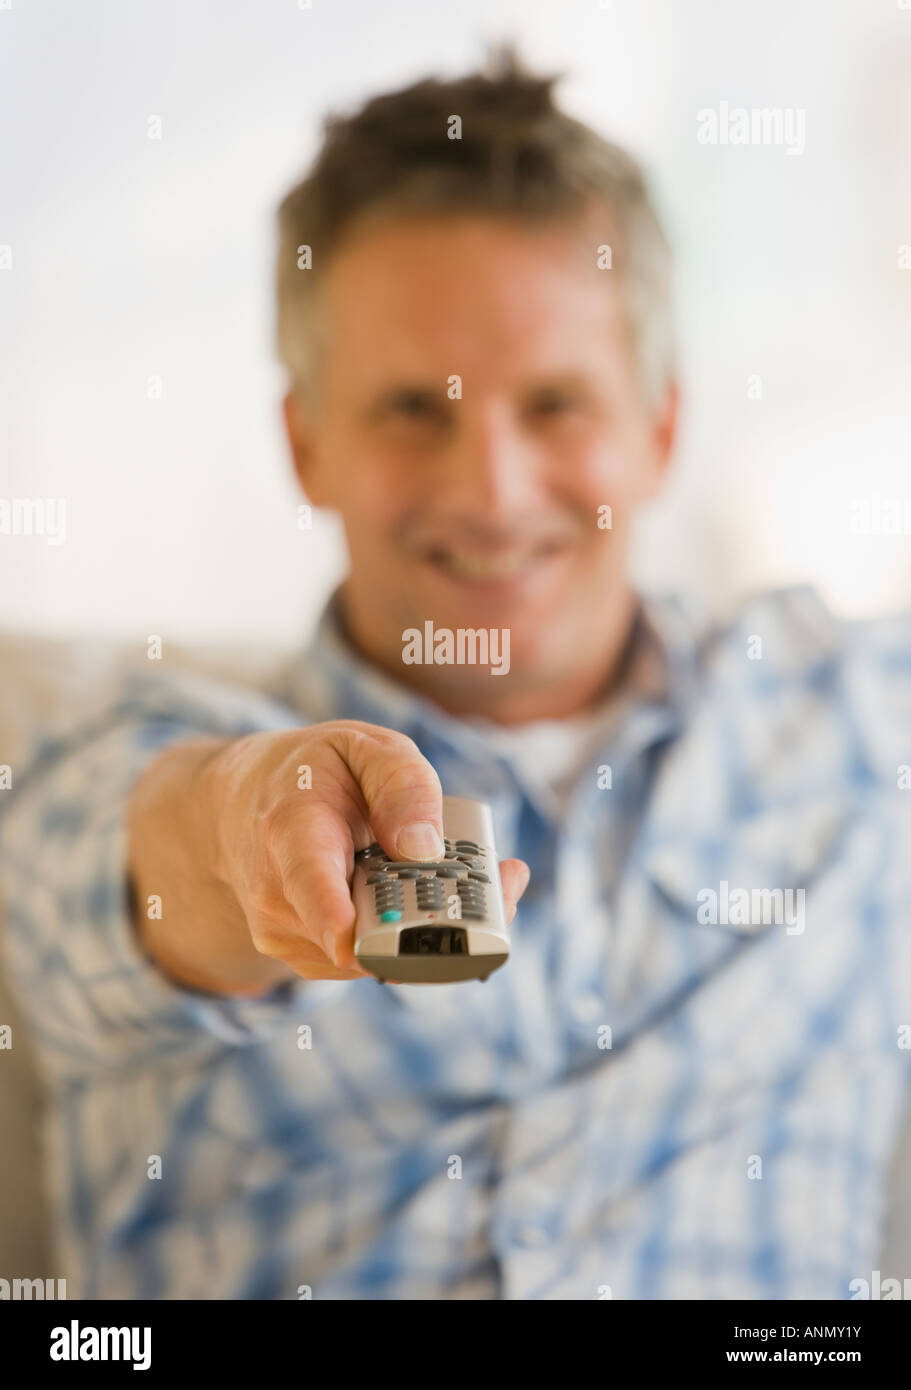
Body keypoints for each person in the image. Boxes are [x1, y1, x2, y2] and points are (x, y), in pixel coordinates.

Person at [1, 44, 909, 1301]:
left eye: (553, 405)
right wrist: (244, 834)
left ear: (659, 429)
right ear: (305, 442)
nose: (490, 491)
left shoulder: (855, 717)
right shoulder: (118, 749)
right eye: (411, 410)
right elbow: (128, 870)